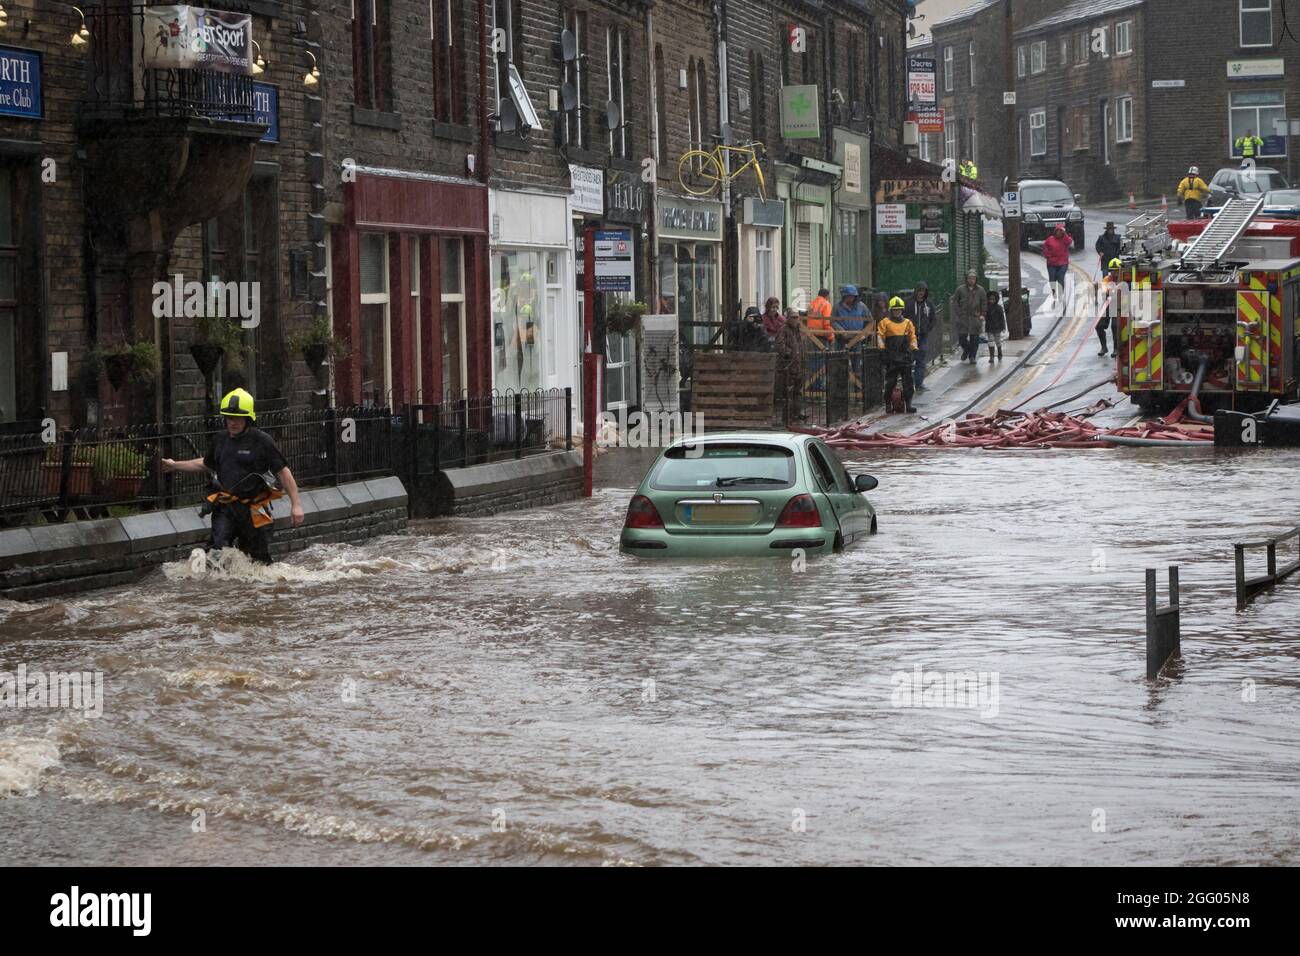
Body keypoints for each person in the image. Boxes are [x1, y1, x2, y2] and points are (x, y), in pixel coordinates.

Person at [161, 389, 305, 564]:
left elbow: (284, 472)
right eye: (229, 418)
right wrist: (175, 465)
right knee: (217, 553)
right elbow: (205, 464)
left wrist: (296, 505)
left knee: (259, 562)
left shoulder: (262, 441)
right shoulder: (220, 440)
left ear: (248, 418)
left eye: (237, 418)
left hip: (252, 509)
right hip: (225, 508)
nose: (233, 422)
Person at [877, 296, 919, 413]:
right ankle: (888, 404)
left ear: (902, 310)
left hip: (905, 357)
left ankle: (909, 404)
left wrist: (913, 350)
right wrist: (882, 350)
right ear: (891, 310)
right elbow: (880, 336)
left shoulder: (907, 323)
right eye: (895, 310)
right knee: (890, 382)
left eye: (899, 309)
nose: (897, 312)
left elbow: (913, 337)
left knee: (908, 382)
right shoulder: (885, 322)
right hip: (891, 357)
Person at [904, 281, 938, 391]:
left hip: (923, 336)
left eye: (923, 291)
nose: (921, 293)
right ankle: (908, 383)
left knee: (921, 359)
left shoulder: (928, 304)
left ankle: (919, 383)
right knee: (908, 360)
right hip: (910, 336)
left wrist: (927, 328)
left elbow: (933, 318)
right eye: (919, 291)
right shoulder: (908, 303)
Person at [774, 308, 805, 425]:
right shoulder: (783, 330)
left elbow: (801, 345)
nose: (796, 320)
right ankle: (787, 418)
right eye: (793, 317)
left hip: (798, 366)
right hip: (788, 366)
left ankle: (797, 414)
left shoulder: (798, 330)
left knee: (798, 392)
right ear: (788, 318)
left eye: (797, 317)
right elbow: (779, 344)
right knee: (788, 393)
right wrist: (788, 353)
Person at [950, 270, 986, 364]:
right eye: (970, 278)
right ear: (967, 279)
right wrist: (959, 313)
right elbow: (955, 302)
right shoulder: (960, 289)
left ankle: (972, 356)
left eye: (973, 278)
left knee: (975, 339)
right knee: (962, 337)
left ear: (976, 279)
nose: (971, 280)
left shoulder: (980, 290)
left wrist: (982, 314)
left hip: (975, 317)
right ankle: (966, 350)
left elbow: (984, 303)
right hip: (963, 318)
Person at [1097, 258, 1123, 357]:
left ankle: (1116, 349)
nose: (1115, 272)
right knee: (1098, 326)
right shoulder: (1106, 279)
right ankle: (1104, 347)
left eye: (1117, 270)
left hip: (1120, 306)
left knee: (1115, 326)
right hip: (1108, 304)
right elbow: (1104, 292)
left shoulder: (1125, 278)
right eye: (1113, 270)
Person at [1042, 224, 1073, 307]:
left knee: (1060, 277)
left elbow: (1069, 242)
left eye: (1061, 231)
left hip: (1063, 263)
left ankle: (1061, 295)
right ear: (1055, 232)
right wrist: (1048, 256)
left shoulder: (1065, 239)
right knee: (1052, 280)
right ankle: (1054, 296)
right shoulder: (1050, 239)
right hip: (1052, 263)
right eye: (1057, 231)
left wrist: (1065, 233)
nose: (1059, 233)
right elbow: (1045, 248)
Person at [984, 289, 1006, 363]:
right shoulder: (986, 307)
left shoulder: (999, 307)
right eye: (990, 299)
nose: (991, 301)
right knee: (990, 341)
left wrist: (1003, 327)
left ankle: (999, 352)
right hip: (989, 327)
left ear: (996, 299)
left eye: (993, 299)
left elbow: (1002, 318)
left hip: (997, 327)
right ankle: (992, 357)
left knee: (998, 341)